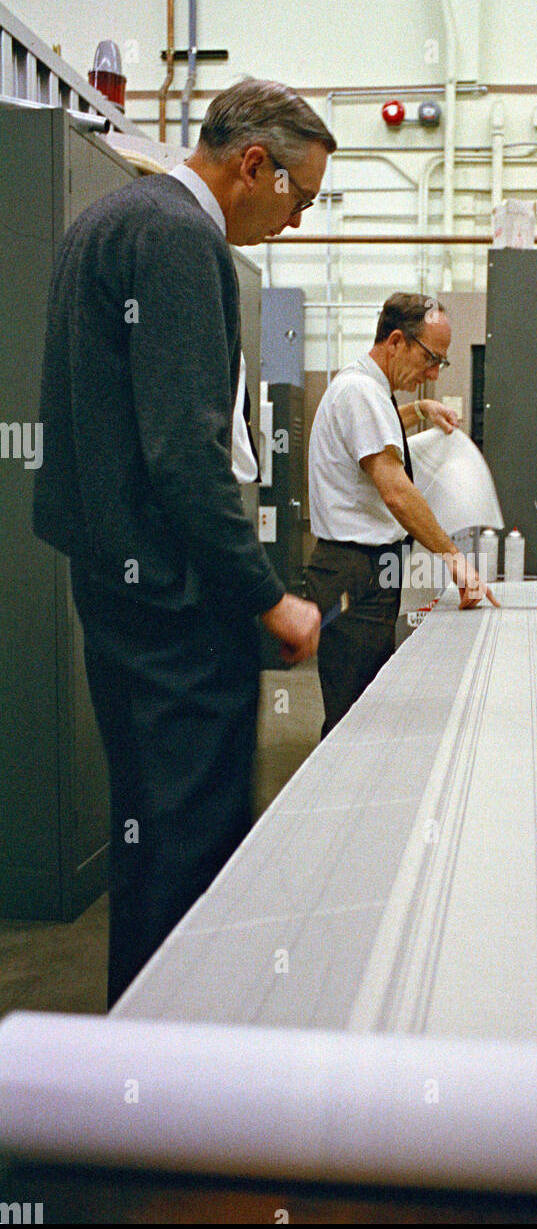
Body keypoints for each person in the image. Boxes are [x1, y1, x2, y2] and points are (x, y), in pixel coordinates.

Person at [33, 78, 335, 1007]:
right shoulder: (177, 239)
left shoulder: (110, 221)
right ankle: (171, 1081)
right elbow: (184, 456)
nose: (293, 223)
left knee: (147, 839)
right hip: (173, 605)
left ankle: (141, 1062)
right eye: (300, 199)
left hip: (119, 587)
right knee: (188, 854)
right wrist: (266, 593)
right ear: (255, 165)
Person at [306, 292, 499, 738]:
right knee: (352, 713)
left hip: (361, 569)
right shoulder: (361, 393)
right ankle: (342, 794)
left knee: (362, 698)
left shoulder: (367, 389)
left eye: (442, 364)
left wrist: (420, 410)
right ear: (396, 341)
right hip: (355, 572)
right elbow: (395, 491)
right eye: (431, 359)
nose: (433, 373)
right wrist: (453, 556)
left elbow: (378, 429)